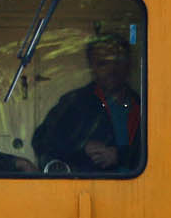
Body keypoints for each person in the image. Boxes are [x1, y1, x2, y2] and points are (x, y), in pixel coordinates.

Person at [31, 35, 143, 174]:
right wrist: (82, 146)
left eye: (118, 62)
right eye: (103, 63)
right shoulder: (75, 102)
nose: (112, 69)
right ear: (92, 68)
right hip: (88, 189)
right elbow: (41, 141)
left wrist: (119, 156)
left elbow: (158, 151)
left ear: (128, 64)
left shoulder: (143, 104)